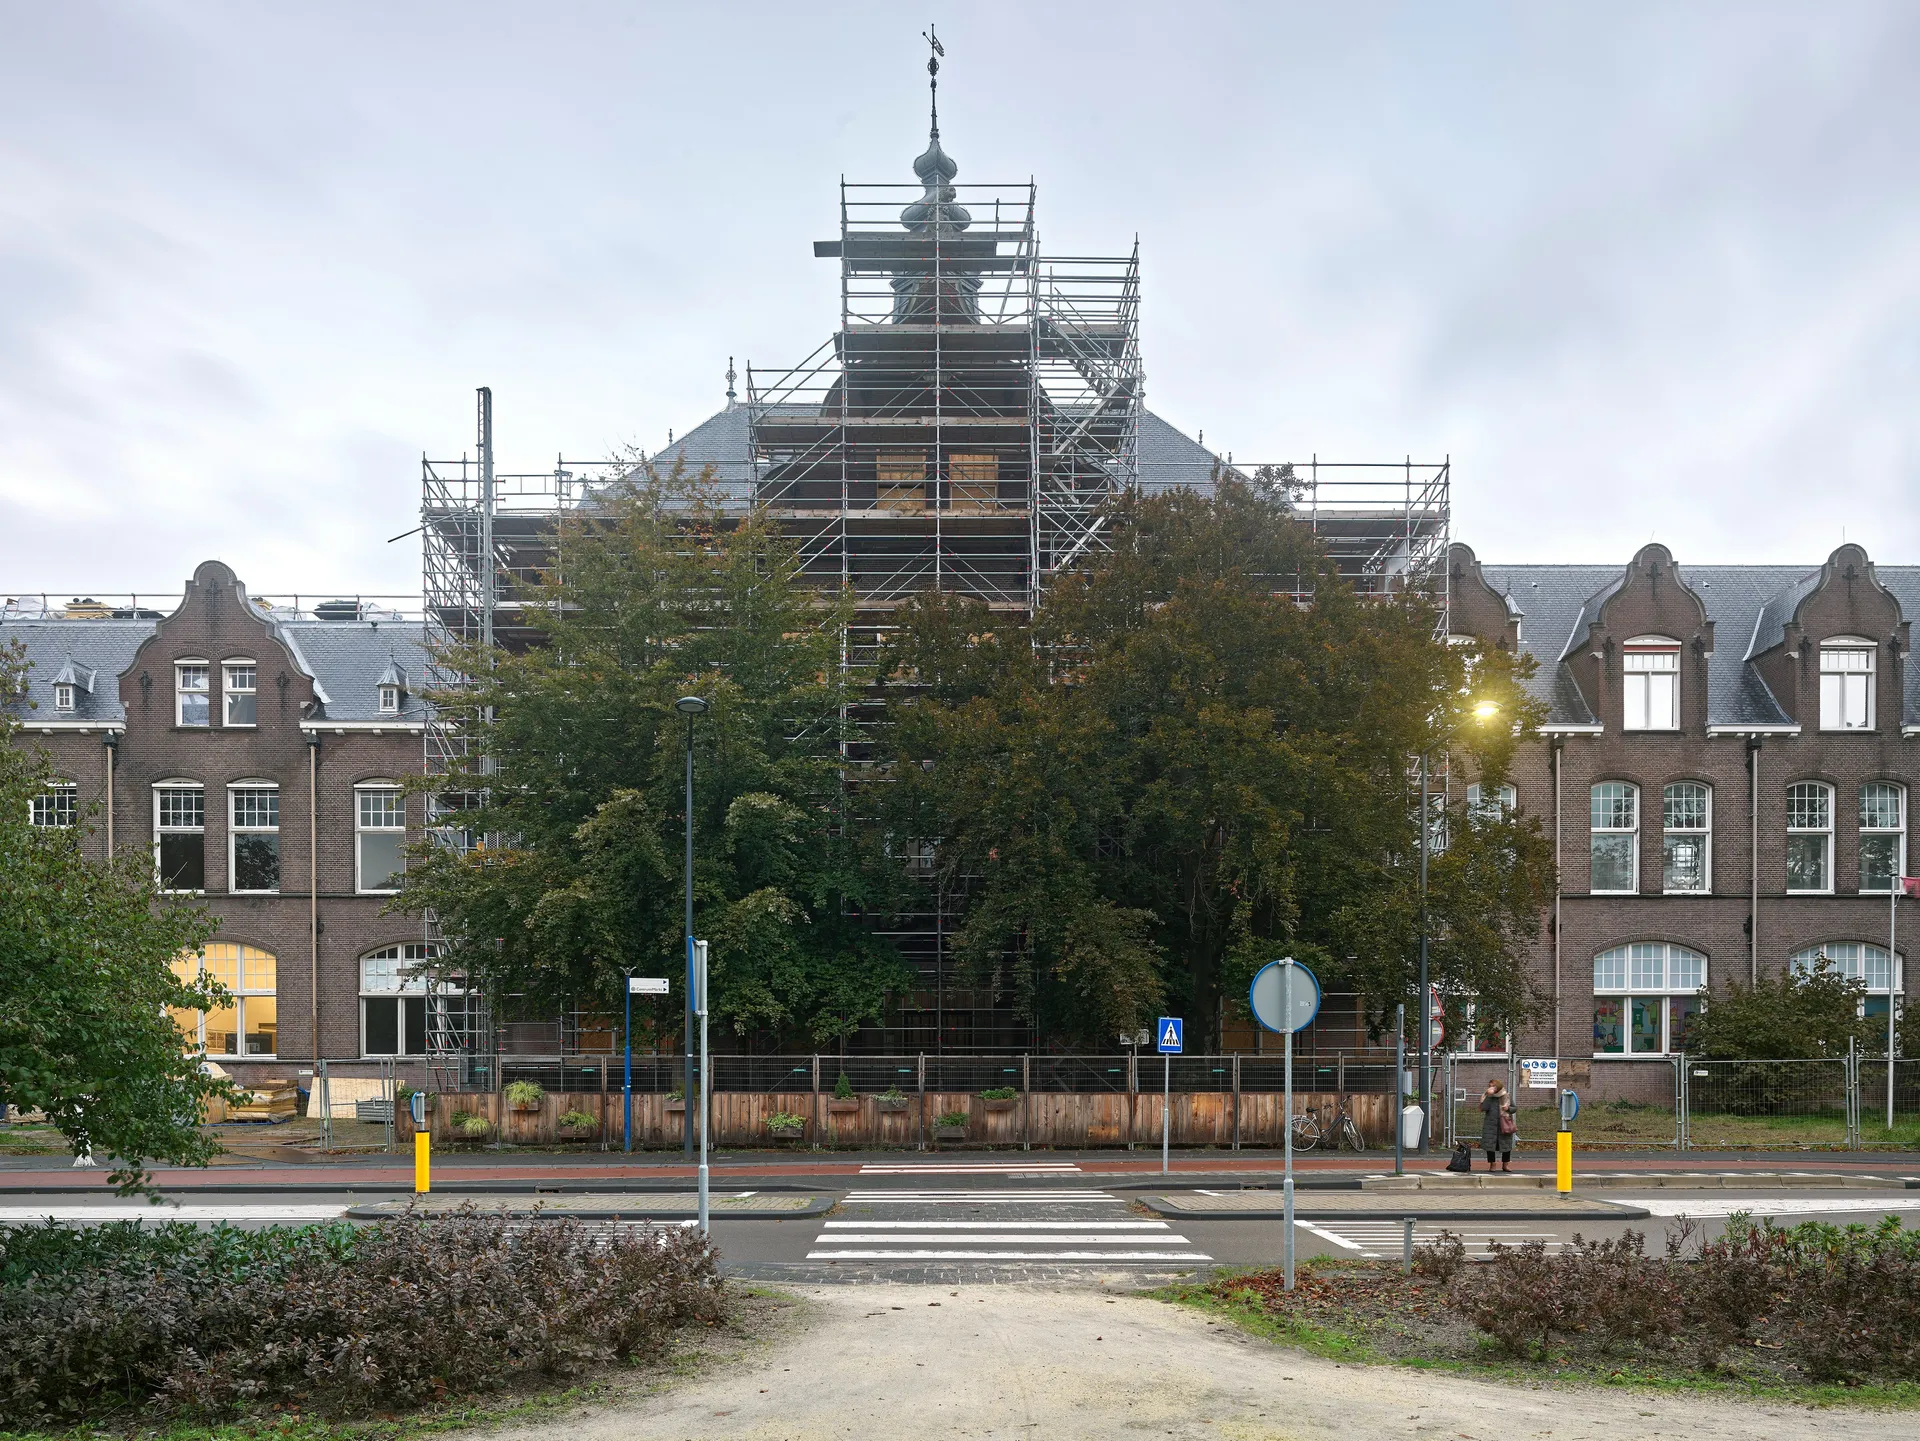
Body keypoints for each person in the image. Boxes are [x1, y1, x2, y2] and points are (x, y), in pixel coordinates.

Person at [1478, 1079, 1517, 1172]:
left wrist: (1508, 1108)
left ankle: (1505, 1164)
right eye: (1490, 1086)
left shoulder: (1506, 1095)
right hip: (1491, 1124)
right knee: (1490, 1145)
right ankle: (1492, 1164)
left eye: (1493, 1086)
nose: (1491, 1088)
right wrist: (1488, 1095)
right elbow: (1484, 1108)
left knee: (1506, 1145)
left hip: (1504, 1123)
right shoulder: (1488, 1096)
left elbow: (1514, 1108)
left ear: (1498, 1087)